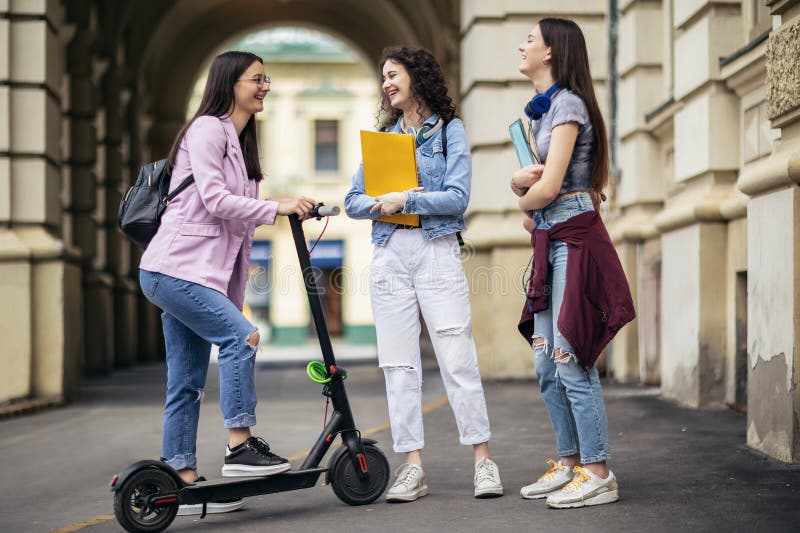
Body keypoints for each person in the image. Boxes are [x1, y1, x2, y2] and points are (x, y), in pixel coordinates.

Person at [138, 51, 316, 515]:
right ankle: (241, 445)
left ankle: (184, 478)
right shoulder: (206, 129)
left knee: (186, 382)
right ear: (229, 83)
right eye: (257, 79)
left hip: (196, 276)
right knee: (245, 338)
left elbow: (238, 238)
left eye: (267, 78)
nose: (265, 86)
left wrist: (232, 296)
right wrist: (278, 206)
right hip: (173, 268)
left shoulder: (240, 144)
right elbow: (216, 201)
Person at [344, 45, 503, 502]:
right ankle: (412, 466)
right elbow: (354, 201)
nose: (387, 83)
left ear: (417, 77)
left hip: (436, 250)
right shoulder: (383, 139)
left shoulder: (451, 133)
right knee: (398, 365)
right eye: (383, 77)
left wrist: (406, 199)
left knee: (457, 356)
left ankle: (483, 461)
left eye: (393, 74)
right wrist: (385, 200)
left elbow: (457, 197)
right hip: (390, 254)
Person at [511, 18, 634, 508]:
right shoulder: (544, 112)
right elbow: (539, 192)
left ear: (551, 52)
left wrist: (519, 192)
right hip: (551, 236)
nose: (522, 45)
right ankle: (569, 462)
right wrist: (525, 190)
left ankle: (598, 470)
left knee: (570, 355)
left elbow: (547, 186)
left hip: (573, 239)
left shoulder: (568, 104)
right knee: (546, 360)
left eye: (529, 39)